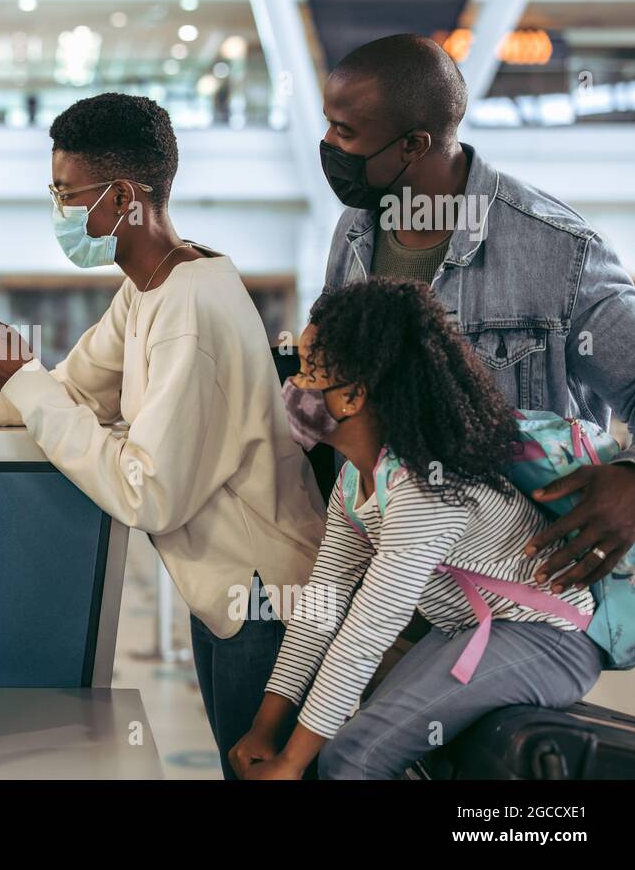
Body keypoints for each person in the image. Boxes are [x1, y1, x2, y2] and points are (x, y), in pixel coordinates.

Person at [0, 92, 327, 778]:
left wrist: (22, 378)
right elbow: (78, 389)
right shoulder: (153, 285)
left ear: (121, 197)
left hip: (265, 602)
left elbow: (149, 494)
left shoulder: (189, 306)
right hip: (229, 596)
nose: (58, 212)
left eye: (66, 194)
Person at [234, 278, 605, 780]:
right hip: (474, 629)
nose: (293, 386)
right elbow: (322, 604)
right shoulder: (357, 479)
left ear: (353, 396)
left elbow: (366, 633)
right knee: (356, 740)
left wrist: (292, 763)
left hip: (548, 638)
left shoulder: (427, 489)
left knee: (352, 757)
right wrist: (265, 727)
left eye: (306, 371)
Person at [319, 33, 635, 593]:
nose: (328, 143)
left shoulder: (559, 250)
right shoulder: (356, 231)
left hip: (513, 580)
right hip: (385, 571)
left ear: (414, 144)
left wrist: (632, 480)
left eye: (344, 132)